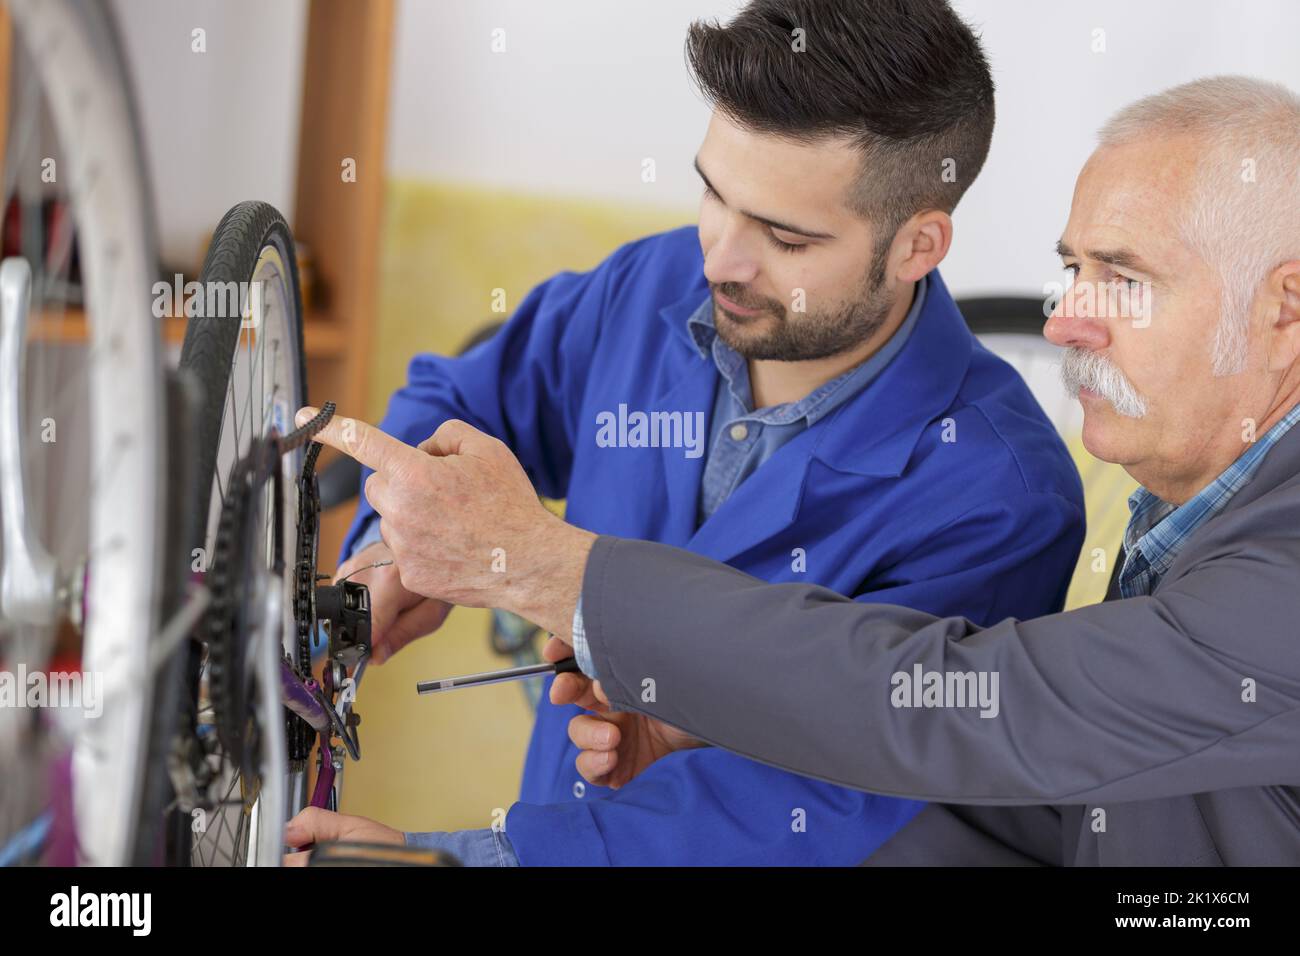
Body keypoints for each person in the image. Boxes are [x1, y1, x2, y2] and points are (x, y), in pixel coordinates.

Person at [293, 75, 1300, 865]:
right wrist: (394, 547)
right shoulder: (652, 283)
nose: (1062, 319)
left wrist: (535, 569)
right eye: (1070, 267)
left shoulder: (1022, 495)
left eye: (1121, 280)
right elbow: (1045, 814)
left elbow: (937, 713)